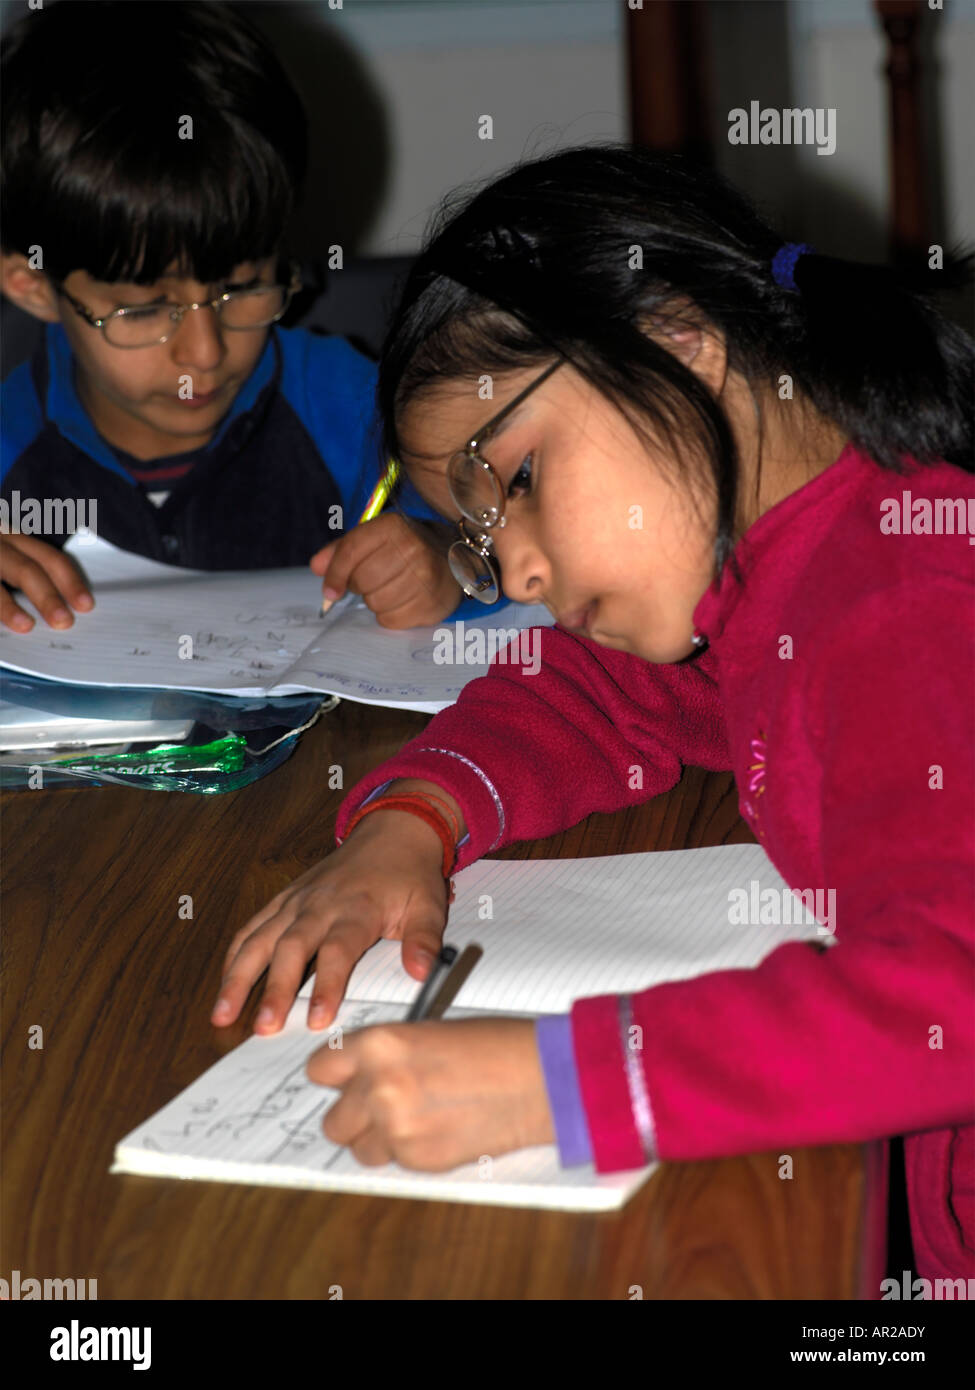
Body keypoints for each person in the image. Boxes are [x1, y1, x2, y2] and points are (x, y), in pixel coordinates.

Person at [212, 144, 974, 1283]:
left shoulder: (902, 606)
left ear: (677, 339)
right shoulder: (786, 568)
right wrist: (410, 819)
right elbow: (597, 693)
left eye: (512, 480)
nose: (512, 571)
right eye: (474, 534)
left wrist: (555, 1083)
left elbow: (949, 992)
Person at [0, 0, 480, 634]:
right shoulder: (10, 442)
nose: (203, 353)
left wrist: (451, 567)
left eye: (244, 286)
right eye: (145, 309)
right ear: (32, 285)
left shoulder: (352, 409)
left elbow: (510, 539)